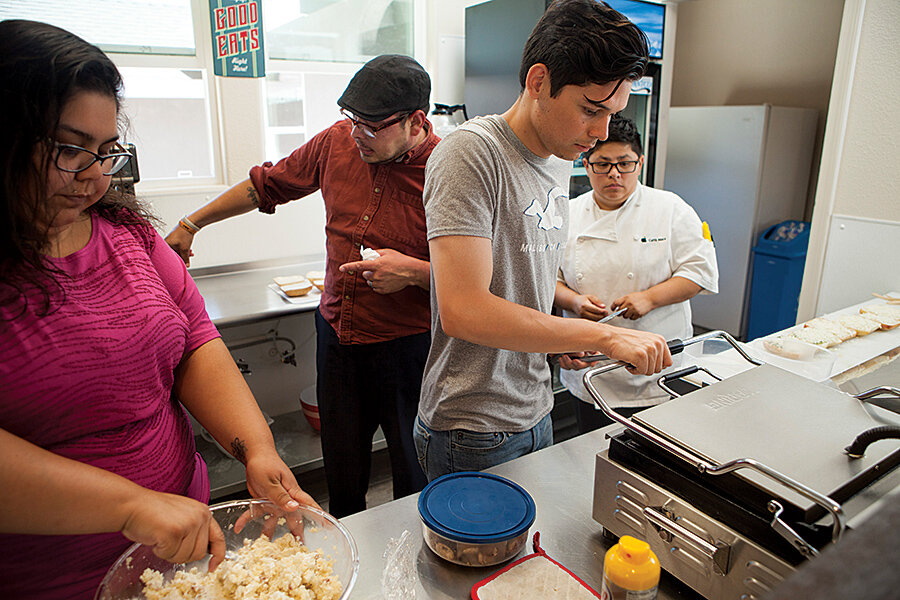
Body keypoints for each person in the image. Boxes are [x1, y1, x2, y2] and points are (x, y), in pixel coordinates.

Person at [0, 19, 318, 600]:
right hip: (47, 578)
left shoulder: (130, 237)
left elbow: (196, 340)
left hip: (178, 555)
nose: (94, 177)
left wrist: (257, 447)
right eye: (71, 150)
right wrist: (129, 506)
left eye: (105, 152)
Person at [165, 55, 437, 518]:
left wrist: (414, 272)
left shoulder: (447, 168)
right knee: (343, 474)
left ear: (416, 121)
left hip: (408, 349)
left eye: (372, 126)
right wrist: (192, 224)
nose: (357, 136)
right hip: (339, 342)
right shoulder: (336, 143)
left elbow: (483, 272)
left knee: (413, 474)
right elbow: (265, 186)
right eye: (353, 121)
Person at [414, 0, 672, 481]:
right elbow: (464, 309)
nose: (599, 134)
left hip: (535, 407)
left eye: (612, 115)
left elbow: (522, 282)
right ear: (538, 82)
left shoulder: (558, 157)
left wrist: (554, 343)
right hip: (473, 425)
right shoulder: (471, 154)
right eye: (590, 110)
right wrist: (602, 334)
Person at [555, 115, 719, 434]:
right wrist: (573, 300)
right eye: (602, 164)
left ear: (640, 163)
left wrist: (649, 298)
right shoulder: (567, 214)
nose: (614, 173)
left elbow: (700, 272)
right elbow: (546, 280)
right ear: (586, 165)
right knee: (591, 451)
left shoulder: (671, 209)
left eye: (624, 163)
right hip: (591, 365)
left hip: (658, 367)